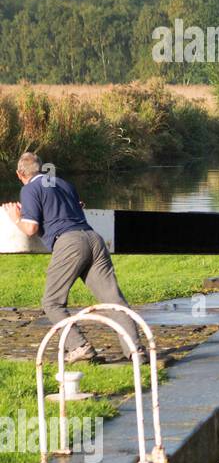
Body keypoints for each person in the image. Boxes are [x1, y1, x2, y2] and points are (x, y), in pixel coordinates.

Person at [2, 152, 141, 363]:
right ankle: (136, 350)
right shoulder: (64, 184)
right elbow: (74, 207)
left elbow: (31, 228)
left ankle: (79, 346)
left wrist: (16, 217)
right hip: (94, 238)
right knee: (113, 299)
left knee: (52, 302)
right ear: (40, 168)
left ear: (20, 174)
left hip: (69, 243)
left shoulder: (30, 188)